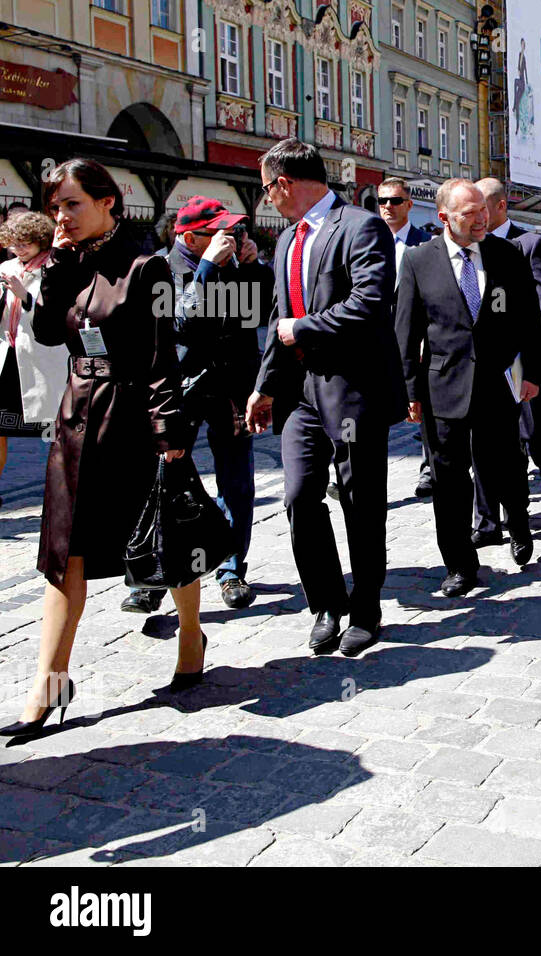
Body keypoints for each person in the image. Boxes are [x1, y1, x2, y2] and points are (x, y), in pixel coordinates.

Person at [1, 160, 204, 739]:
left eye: (72, 204)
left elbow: (163, 356)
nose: (60, 217)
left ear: (108, 202)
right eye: (55, 206)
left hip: (133, 418)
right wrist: (59, 263)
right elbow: (45, 334)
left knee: (163, 534)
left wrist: (170, 435)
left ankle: (190, 636)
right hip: (76, 417)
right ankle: (49, 683)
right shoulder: (67, 262)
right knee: (64, 552)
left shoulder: (150, 265)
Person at [245, 138, 407, 658]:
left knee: (361, 501)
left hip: (352, 388)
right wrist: (264, 386)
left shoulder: (361, 226)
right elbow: (277, 319)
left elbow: (369, 302)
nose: (267, 198)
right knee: (298, 496)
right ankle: (326, 603)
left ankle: (365, 608)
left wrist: (304, 329)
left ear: (285, 183)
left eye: (268, 188)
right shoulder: (285, 239)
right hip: (299, 393)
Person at [394, 179, 541, 597]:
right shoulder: (419, 261)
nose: (481, 219)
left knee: (506, 465)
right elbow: (406, 330)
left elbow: (529, 319)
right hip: (442, 386)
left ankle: (518, 524)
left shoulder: (507, 255)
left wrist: (530, 372)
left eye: (483, 210)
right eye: (469, 213)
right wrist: (408, 391)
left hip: (499, 384)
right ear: (443, 217)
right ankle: (459, 563)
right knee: (449, 479)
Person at [120, 197, 263, 615]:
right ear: (189, 237)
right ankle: (152, 577)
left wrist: (251, 269)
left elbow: (258, 315)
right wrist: (205, 271)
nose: (231, 239)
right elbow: (179, 322)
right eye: (220, 232)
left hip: (232, 386)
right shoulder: (159, 269)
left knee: (236, 482)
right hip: (179, 388)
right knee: (163, 481)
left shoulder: (237, 266)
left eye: (235, 231)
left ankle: (232, 570)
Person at [471, 177, 541, 534]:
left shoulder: (529, 244)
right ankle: (487, 521)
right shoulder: (468, 246)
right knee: (482, 439)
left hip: (520, 359)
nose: (475, 215)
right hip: (481, 360)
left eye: (482, 207)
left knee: (533, 432)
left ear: (499, 207)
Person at [374, 177, 437, 500]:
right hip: (375, 337)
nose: (387, 206)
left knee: (421, 401)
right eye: (382, 200)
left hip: (415, 336)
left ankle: (429, 468)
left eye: (395, 201)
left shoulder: (424, 243)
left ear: (409, 205)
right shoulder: (367, 241)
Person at [0, 212, 65, 505]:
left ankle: (59, 487)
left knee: (52, 428)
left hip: (40, 359)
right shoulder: (5, 267)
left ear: (40, 241)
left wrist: (23, 294)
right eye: (14, 244)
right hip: (7, 357)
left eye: (25, 243)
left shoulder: (54, 268)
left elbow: (55, 317)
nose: (19, 250)